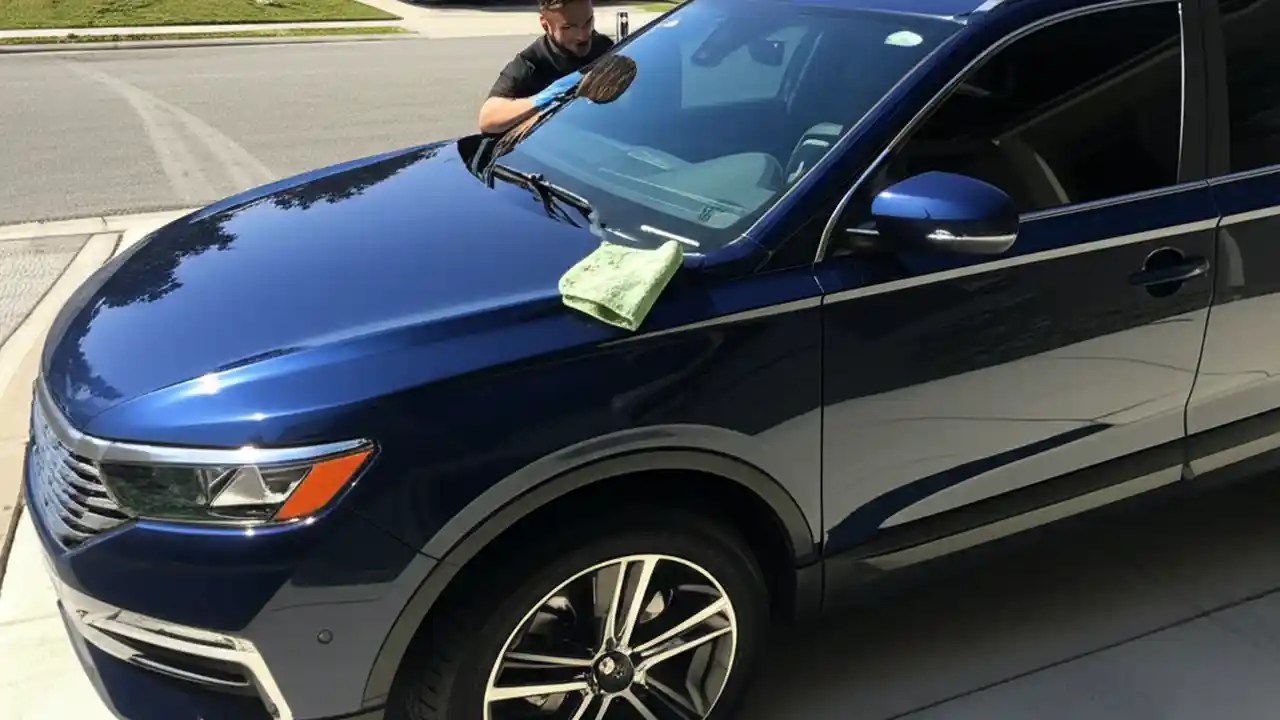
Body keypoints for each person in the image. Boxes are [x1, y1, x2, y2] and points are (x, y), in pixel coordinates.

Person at [477, 0, 615, 135]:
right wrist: (542, 99)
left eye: (588, 22)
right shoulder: (531, 63)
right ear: (545, 25)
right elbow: (488, 118)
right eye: (568, 27)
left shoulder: (603, 46)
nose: (583, 35)